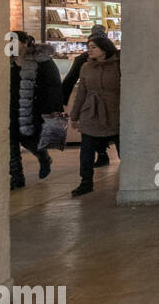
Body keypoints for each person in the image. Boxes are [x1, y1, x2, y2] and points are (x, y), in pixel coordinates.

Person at [67, 34, 120, 197]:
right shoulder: (85, 67)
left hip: (114, 111)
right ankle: (86, 182)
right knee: (87, 149)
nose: (89, 50)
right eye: (88, 47)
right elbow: (81, 92)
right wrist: (74, 115)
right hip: (91, 111)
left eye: (93, 47)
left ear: (104, 49)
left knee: (123, 146)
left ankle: (130, 179)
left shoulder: (119, 66)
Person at [9, 32, 62, 190]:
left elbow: (54, 85)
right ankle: (16, 177)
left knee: (30, 140)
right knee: (10, 144)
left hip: (35, 109)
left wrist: (53, 110)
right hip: (11, 110)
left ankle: (43, 157)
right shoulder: (6, 62)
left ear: (25, 42)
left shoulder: (42, 61)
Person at [61, 24, 111, 168]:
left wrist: (63, 101)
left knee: (97, 132)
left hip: (98, 103)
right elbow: (71, 82)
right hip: (93, 103)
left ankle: (101, 157)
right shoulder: (85, 60)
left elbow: (69, 81)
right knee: (94, 133)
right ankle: (88, 174)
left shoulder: (83, 59)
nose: (91, 50)